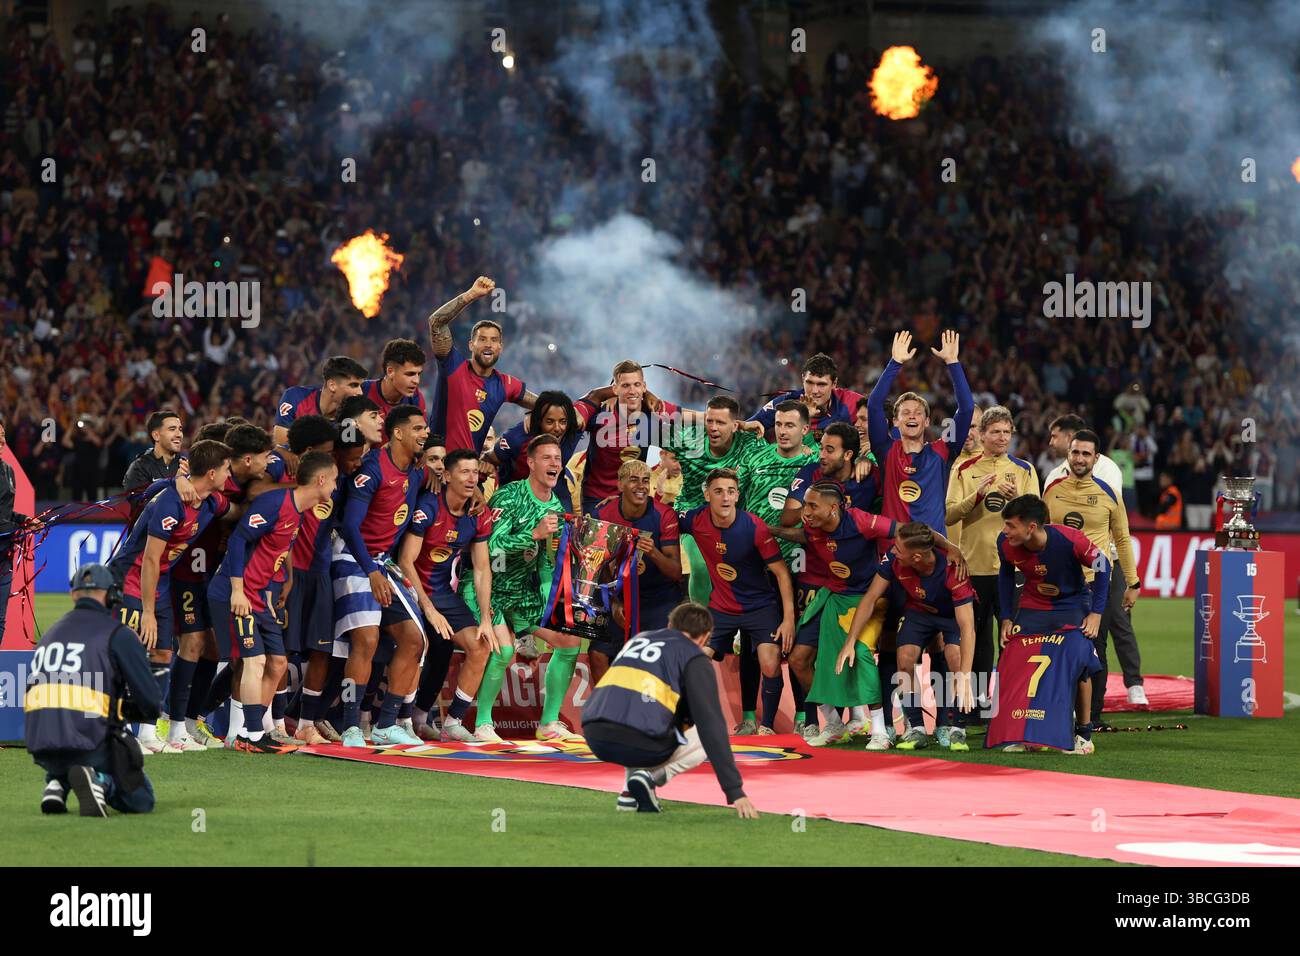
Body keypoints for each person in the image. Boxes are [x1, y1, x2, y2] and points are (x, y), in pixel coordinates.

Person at [107, 439, 233, 753]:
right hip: (131, 583)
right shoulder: (171, 502)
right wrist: (148, 611)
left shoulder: (209, 501)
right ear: (214, 472)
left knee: (162, 655)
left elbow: (237, 509)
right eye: (227, 469)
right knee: (131, 655)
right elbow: (150, 559)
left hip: (158, 584)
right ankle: (116, 731)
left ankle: (155, 732)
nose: (230, 475)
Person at [210, 451, 339, 752]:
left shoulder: (298, 512)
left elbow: (274, 553)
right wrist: (238, 591)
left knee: (278, 663)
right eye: (333, 481)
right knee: (253, 661)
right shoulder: (275, 504)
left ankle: (253, 730)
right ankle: (250, 734)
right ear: (320, 480)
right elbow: (238, 541)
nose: (334, 487)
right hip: (239, 594)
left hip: (259, 595)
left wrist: (274, 586)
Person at [461, 434, 585, 741]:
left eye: (558, 458)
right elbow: (490, 548)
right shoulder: (507, 497)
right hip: (488, 588)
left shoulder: (555, 504)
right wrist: (533, 533)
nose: (554, 463)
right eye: (547, 458)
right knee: (504, 650)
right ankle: (483, 724)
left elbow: (545, 560)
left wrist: (550, 596)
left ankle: (548, 724)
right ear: (530, 463)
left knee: (569, 642)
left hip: (523, 593)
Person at [582, 601, 758, 818]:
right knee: (699, 734)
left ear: (670, 624)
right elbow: (711, 724)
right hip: (638, 742)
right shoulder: (694, 656)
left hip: (594, 734)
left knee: (642, 715)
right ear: (705, 637)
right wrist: (735, 790)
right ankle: (649, 779)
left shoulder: (639, 640)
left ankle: (630, 794)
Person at [24, 563, 159, 817]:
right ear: (112, 595)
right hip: (90, 744)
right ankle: (100, 780)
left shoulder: (48, 636)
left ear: (73, 594)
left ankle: (57, 782)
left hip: (42, 746)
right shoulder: (117, 634)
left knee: (71, 728)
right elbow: (151, 702)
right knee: (142, 799)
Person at [331, 405, 429, 746]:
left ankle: (387, 724)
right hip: (352, 558)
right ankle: (350, 727)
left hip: (383, 563)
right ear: (398, 432)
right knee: (367, 640)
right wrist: (371, 572)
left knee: (415, 640)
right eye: (417, 428)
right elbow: (350, 526)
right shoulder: (372, 469)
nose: (424, 434)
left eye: (425, 429)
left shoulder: (416, 473)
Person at [839, 521, 977, 751]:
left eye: (898, 549)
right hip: (919, 612)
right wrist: (850, 640)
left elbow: (967, 628)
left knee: (956, 658)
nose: (893, 551)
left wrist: (964, 675)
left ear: (916, 558)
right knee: (904, 659)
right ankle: (917, 728)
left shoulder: (953, 570)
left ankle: (957, 729)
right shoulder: (894, 559)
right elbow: (870, 598)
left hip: (951, 616)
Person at [679, 468, 795, 734]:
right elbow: (665, 518)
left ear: (737, 495)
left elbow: (781, 574)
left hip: (760, 607)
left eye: (731, 491)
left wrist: (788, 619)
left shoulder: (754, 527)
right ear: (707, 495)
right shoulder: (695, 519)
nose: (725, 497)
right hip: (721, 608)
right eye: (718, 491)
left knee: (769, 662)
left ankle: (766, 726)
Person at [1043, 414, 1147, 708]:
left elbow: (1123, 539)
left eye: (1085, 454)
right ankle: (1058, 710)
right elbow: (1042, 535)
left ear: (1095, 457)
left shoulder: (1108, 491)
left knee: (1095, 647)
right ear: (1069, 452)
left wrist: (1133, 581)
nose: (1079, 458)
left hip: (1095, 581)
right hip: (1060, 581)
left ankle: (1094, 716)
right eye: (1075, 452)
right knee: (1059, 644)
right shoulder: (1052, 488)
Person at [398, 448, 499, 743]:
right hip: (409, 587)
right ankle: (398, 720)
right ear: (448, 475)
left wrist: (484, 617)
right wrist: (428, 608)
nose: (472, 479)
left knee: (480, 646)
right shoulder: (428, 506)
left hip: (442, 592)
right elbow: (406, 560)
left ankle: (453, 721)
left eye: (475, 473)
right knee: (422, 645)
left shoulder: (478, 514)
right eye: (465, 472)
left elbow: (482, 568)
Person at [944, 405, 1038, 717]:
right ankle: (979, 707)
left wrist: (1015, 504)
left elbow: (1038, 518)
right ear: (981, 435)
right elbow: (949, 512)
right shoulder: (964, 470)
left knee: (1014, 639)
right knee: (979, 641)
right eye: (995, 431)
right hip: (975, 567)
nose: (1001, 437)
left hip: (1014, 570)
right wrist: (979, 495)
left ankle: (1012, 706)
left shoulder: (1024, 470)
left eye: (1006, 432)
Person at [587, 460, 684, 684]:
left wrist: (654, 553)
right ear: (620, 485)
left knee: (661, 655)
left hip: (659, 598)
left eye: (645, 481)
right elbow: (598, 566)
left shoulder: (664, 514)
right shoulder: (603, 513)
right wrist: (613, 602)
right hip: (618, 597)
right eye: (633, 480)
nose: (641, 486)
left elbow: (676, 572)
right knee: (597, 653)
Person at [426, 276, 537, 452]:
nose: (488, 344)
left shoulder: (505, 384)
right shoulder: (454, 366)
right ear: (471, 345)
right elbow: (436, 322)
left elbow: (544, 406)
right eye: (482, 339)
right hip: (437, 468)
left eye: (494, 340)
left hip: (470, 473)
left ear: (500, 347)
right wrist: (471, 295)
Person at [272, 355, 367, 465]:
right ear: (332, 385)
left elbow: (347, 459)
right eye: (354, 385)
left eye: (360, 386)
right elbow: (281, 443)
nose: (360, 392)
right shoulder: (295, 397)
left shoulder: (349, 420)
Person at [748, 352, 863, 440]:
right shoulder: (786, 402)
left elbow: (877, 427)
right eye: (810, 383)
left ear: (834, 384)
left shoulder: (851, 402)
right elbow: (746, 428)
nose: (814, 391)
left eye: (821, 384)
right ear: (803, 379)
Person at [0, 418, 39, 643]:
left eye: (3, 435)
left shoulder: (8, 470)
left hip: (4, 554)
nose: (2, 440)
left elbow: (6, 513)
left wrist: (25, 521)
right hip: (5, 540)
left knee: (0, 619)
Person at [122, 409, 187, 527]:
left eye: (180, 429)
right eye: (172, 429)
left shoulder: (187, 465)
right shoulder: (139, 467)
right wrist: (175, 483)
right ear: (156, 435)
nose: (179, 434)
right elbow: (141, 508)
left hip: (179, 542)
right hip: (146, 541)